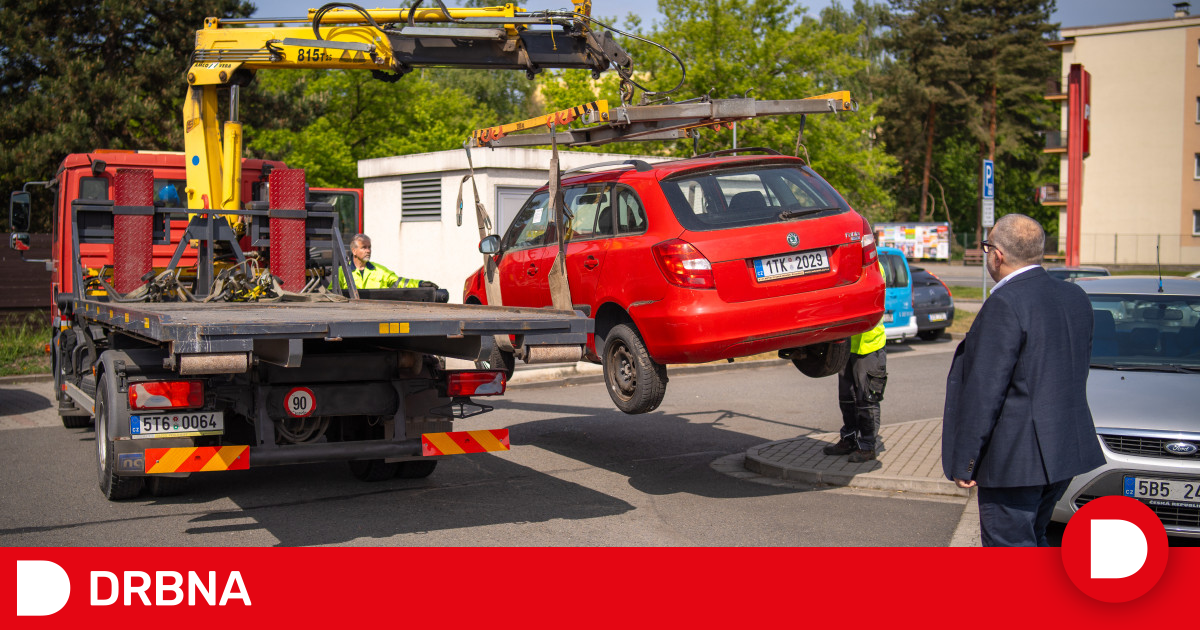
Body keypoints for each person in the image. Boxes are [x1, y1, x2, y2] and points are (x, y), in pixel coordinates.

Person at [941, 213, 1105, 547]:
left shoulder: (1005, 303)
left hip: (1014, 463)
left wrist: (966, 461)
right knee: (1035, 537)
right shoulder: (1075, 296)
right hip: (1063, 453)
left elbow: (984, 392)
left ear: (997, 255)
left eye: (987, 247)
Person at [824, 262, 888, 463]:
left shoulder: (873, 267)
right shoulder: (844, 265)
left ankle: (867, 445)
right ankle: (849, 438)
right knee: (846, 397)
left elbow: (865, 297)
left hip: (869, 346)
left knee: (867, 399)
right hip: (846, 344)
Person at [336, 233, 434, 290]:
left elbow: (399, 282)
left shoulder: (380, 270)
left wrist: (420, 284)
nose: (368, 251)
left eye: (369, 247)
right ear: (354, 251)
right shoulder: (342, 272)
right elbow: (331, 295)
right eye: (364, 247)